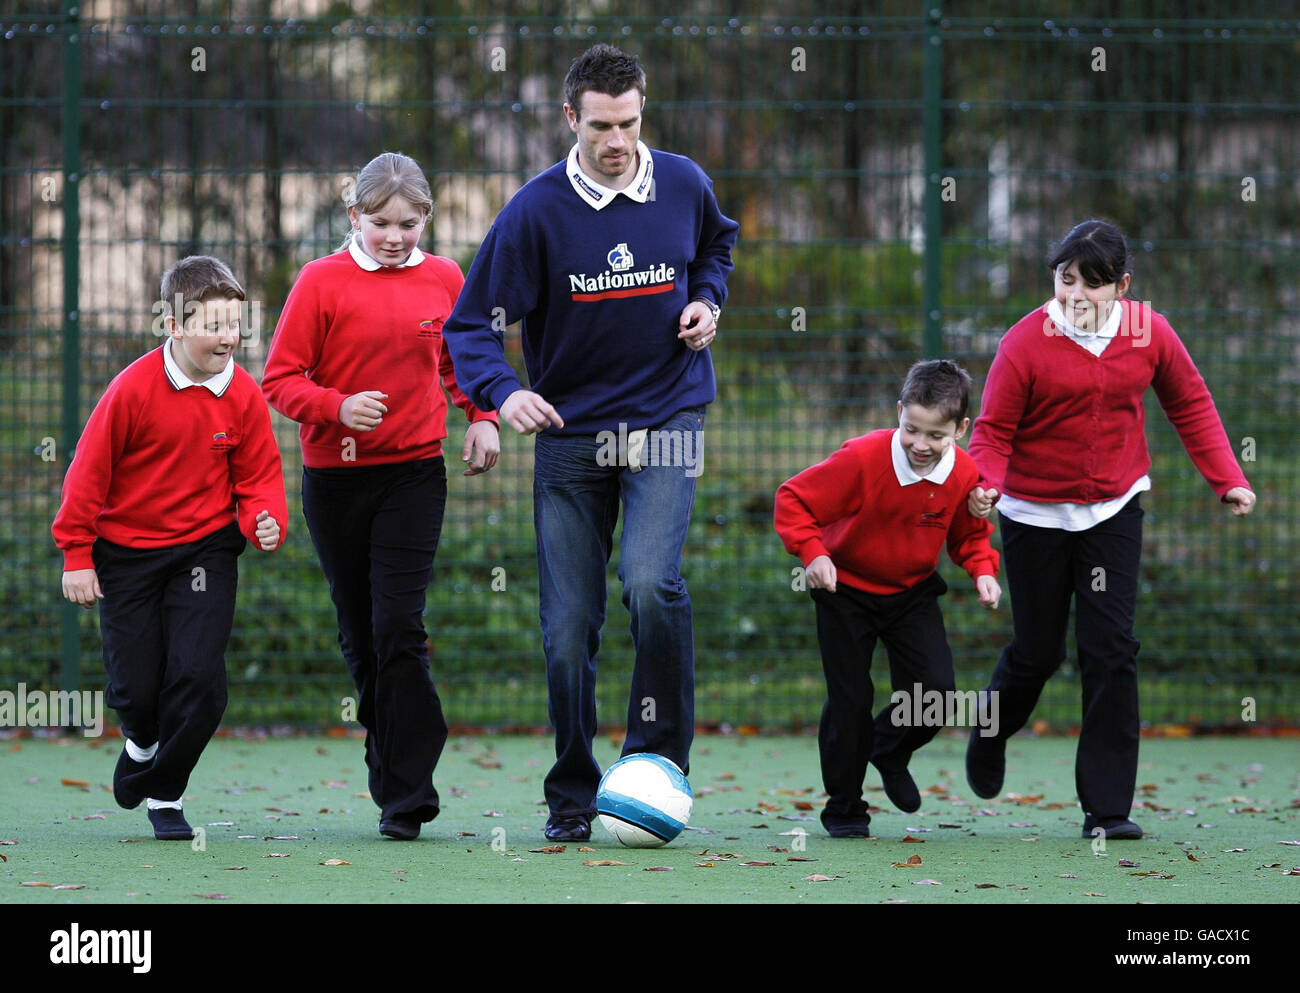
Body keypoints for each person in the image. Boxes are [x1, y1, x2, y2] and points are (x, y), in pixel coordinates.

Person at [443, 44, 739, 842]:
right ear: (570, 118)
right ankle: (571, 789)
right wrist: (505, 394)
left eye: (631, 122)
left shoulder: (682, 181)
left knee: (650, 581)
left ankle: (656, 764)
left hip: (669, 419)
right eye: (602, 125)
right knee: (569, 628)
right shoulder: (534, 211)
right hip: (571, 432)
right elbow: (470, 323)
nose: (618, 140)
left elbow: (717, 245)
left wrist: (708, 301)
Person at [964, 219, 1257, 840]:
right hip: (1034, 514)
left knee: (1111, 650)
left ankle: (1107, 809)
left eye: (1092, 285)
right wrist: (984, 483)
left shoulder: (1150, 332)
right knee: (1038, 654)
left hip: (1114, 510)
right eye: (1065, 279)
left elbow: (1190, 401)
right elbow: (992, 430)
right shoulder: (1024, 343)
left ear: (1122, 286)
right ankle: (990, 728)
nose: (1075, 294)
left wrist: (1226, 476)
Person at [262, 152, 500, 841]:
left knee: (399, 624)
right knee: (362, 634)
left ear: (426, 216)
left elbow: (461, 364)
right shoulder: (319, 282)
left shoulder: (447, 276)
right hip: (334, 478)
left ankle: (409, 789)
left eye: (410, 222)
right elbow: (280, 379)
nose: (396, 236)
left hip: (414, 474)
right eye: (382, 222)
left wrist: (482, 417)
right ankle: (387, 744)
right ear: (354, 216)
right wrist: (336, 407)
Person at [52, 255, 287, 840]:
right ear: (175, 326)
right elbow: (88, 474)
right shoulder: (130, 390)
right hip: (125, 555)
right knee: (135, 687)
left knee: (200, 678)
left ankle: (166, 792)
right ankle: (141, 744)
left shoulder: (244, 395)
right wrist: (77, 554)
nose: (228, 337)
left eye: (235, 324)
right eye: (213, 325)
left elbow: (259, 477)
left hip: (203, 552)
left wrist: (265, 519)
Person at [774, 360, 1001, 837]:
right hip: (844, 589)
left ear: (960, 430)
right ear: (899, 412)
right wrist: (813, 553)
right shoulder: (862, 458)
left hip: (911, 593)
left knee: (936, 694)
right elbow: (794, 499)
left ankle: (889, 749)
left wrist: (982, 569)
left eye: (935, 436)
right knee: (850, 699)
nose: (921, 444)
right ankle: (845, 808)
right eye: (911, 429)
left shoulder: (964, 473)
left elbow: (968, 534)